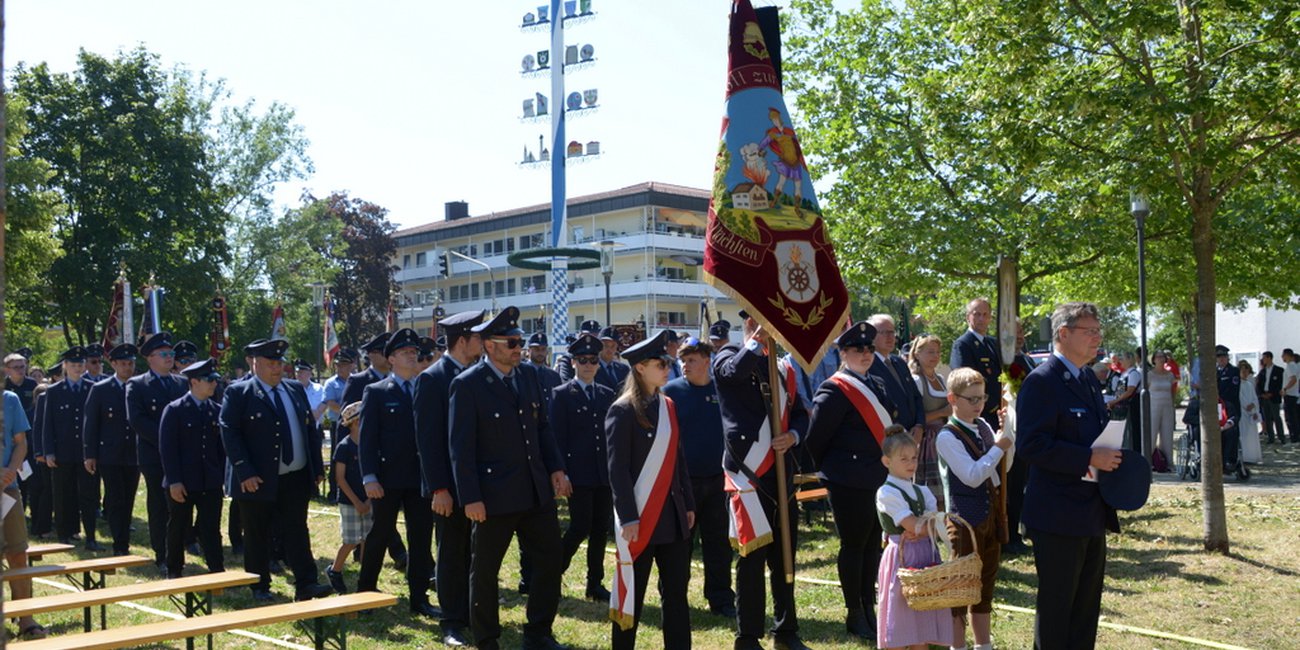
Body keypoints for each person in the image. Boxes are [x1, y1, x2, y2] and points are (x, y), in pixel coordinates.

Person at [448, 306, 572, 650]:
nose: (519, 347)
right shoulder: (467, 385)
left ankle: (539, 633)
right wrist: (470, 496)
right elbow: (461, 447)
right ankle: (487, 637)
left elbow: (543, 428)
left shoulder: (530, 376)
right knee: (486, 570)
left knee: (549, 561)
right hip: (492, 497)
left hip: (534, 490)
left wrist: (557, 469)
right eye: (512, 342)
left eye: (521, 341)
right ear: (489, 345)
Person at [1016, 302, 1121, 650]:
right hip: (1057, 514)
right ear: (1064, 334)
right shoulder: (1042, 382)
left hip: (1091, 509)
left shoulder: (1088, 378)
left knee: (1085, 611)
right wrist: (1088, 457)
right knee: (1058, 609)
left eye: (1098, 331)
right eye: (1090, 331)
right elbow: (1031, 445)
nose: (1097, 338)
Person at [714, 311, 812, 650]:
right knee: (751, 558)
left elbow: (801, 412)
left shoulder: (784, 368)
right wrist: (757, 341)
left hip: (780, 472)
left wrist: (795, 435)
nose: (763, 327)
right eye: (755, 322)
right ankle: (748, 635)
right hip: (749, 473)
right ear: (747, 325)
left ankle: (786, 630)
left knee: (785, 555)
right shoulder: (728, 356)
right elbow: (732, 374)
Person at [803, 320, 897, 640]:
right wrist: (834, 471)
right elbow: (816, 439)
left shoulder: (878, 384)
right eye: (858, 349)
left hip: (877, 477)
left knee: (873, 544)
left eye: (870, 348)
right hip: (848, 479)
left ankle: (870, 606)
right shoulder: (834, 388)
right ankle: (854, 612)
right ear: (843, 353)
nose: (866, 354)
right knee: (854, 545)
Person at [219, 338, 333, 602]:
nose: (277, 368)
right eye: (271, 363)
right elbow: (229, 433)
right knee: (257, 532)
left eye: (280, 362)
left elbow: (309, 431)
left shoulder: (293, 389)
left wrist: (316, 467)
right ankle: (259, 585)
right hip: (257, 478)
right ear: (254, 363)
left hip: (295, 476)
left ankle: (306, 583)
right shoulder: (239, 393)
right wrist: (244, 471)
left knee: (296, 529)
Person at [607, 330, 695, 649]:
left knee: (675, 594)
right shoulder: (622, 410)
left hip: (671, 516)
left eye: (667, 361)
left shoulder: (668, 405)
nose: (667, 367)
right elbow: (617, 471)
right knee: (633, 594)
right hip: (640, 518)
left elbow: (678, 459)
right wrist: (628, 517)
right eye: (660, 362)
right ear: (640, 367)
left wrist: (687, 502)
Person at [356, 328, 441, 617]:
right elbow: (367, 440)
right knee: (379, 535)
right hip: (387, 479)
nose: (412, 355)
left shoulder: (426, 387)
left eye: (414, 352)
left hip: (419, 480)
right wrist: (369, 477)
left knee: (420, 539)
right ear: (391, 359)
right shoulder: (376, 392)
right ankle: (365, 593)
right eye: (405, 352)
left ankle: (419, 598)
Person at [414, 309, 485, 647]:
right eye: (478, 337)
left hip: (478, 485)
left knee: (476, 553)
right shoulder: (433, 378)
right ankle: (451, 621)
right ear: (462, 340)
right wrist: (439, 488)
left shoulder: (480, 375)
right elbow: (427, 442)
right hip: (450, 488)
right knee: (451, 553)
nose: (483, 343)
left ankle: (473, 611)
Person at [937, 367, 1010, 650]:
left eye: (982, 398)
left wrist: (1006, 437)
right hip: (963, 520)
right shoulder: (947, 436)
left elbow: (1000, 471)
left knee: (985, 586)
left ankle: (984, 645)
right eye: (972, 399)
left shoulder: (984, 427)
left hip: (989, 515)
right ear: (953, 398)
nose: (979, 405)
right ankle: (958, 646)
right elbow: (971, 475)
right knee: (960, 590)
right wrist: (999, 447)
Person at [663, 336, 735, 617]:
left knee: (718, 543)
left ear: (707, 361)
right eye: (682, 360)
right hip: (684, 483)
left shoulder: (722, 391)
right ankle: (674, 596)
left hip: (717, 479)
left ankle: (721, 599)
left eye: (691, 360)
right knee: (679, 545)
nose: (685, 366)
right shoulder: (671, 392)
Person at [549, 333, 616, 603]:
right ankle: (553, 574)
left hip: (602, 473)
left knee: (600, 529)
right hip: (577, 473)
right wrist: (561, 473)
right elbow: (556, 437)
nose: (588, 364)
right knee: (579, 527)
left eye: (592, 360)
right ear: (573, 363)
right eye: (582, 360)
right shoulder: (562, 394)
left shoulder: (607, 394)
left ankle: (594, 583)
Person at [874, 429, 953, 650]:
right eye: (904, 459)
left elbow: (932, 525)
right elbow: (914, 526)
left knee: (922, 617)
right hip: (902, 556)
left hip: (926, 555)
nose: (911, 463)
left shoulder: (922, 491)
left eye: (914, 458)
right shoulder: (886, 492)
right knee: (899, 618)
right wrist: (924, 525)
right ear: (886, 461)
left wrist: (924, 526)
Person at [342, 333, 410, 570]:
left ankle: (405, 560)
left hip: (410, 470)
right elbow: (349, 419)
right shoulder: (362, 382)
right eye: (380, 351)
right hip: (380, 466)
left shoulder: (416, 383)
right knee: (379, 527)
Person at [126, 332, 188, 574]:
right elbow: (137, 420)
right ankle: (162, 553)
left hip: (181, 455)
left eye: (171, 354)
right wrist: (167, 439)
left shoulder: (181, 383)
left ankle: (180, 547)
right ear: (150, 358)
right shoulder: (137, 384)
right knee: (159, 504)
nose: (169, 358)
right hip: (154, 455)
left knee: (180, 503)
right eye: (164, 354)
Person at [159, 359, 226, 578]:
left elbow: (220, 449)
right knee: (177, 526)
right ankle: (174, 569)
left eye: (215, 380)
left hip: (210, 481)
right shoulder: (175, 410)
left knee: (211, 528)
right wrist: (174, 481)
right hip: (183, 481)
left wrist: (221, 477)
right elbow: (167, 450)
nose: (214, 384)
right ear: (194, 382)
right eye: (209, 380)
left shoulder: (216, 410)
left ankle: (217, 569)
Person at [40, 346, 101, 550]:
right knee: (63, 494)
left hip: (86, 453)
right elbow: (47, 424)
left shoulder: (92, 387)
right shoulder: (54, 391)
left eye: (80, 364)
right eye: (73, 365)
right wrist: (48, 451)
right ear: (65, 366)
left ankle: (91, 536)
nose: (77, 368)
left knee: (89, 495)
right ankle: (64, 534)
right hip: (62, 452)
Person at [83, 343, 141, 555]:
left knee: (129, 498)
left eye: (131, 363)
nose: (128, 367)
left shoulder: (139, 386)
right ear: (114, 364)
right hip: (109, 454)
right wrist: (89, 454)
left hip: (133, 454)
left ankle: (123, 535)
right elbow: (91, 424)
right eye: (123, 363)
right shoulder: (100, 389)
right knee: (116, 499)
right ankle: (120, 545)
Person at [3, 385, 49, 640]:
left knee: (18, 554)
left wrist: (10, 470)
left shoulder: (10, 400)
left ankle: (26, 619)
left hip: (7, 489)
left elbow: (21, 444)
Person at [327, 401, 369, 595]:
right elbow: (340, 479)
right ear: (355, 422)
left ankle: (366, 576)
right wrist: (357, 502)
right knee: (351, 540)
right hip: (349, 501)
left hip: (368, 501)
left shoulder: (370, 445)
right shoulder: (344, 447)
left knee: (368, 539)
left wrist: (368, 501)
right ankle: (335, 570)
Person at [908, 334, 949, 511]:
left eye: (938, 352)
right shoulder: (917, 380)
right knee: (929, 491)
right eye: (930, 352)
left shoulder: (940, 378)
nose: (935, 356)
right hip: (926, 440)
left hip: (943, 437)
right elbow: (914, 417)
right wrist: (942, 412)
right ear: (917, 354)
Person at [867, 315, 925, 441]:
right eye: (883, 332)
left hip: (914, 437)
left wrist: (920, 425)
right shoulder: (868, 366)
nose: (890, 337)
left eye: (892, 332)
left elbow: (916, 397)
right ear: (871, 336)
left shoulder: (899, 362)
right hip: (890, 437)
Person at [949, 298, 1004, 429]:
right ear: (968, 317)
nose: (981, 318)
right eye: (977, 314)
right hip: (980, 415)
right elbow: (964, 381)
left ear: (990, 318)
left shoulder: (993, 343)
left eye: (985, 315)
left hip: (1000, 413)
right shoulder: (963, 344)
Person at [1146, 351, 1178, 470]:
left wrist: (1173, 403)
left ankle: (1168, 462)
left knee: (1167, 434)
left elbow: (1173, 390)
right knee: (1152, 434)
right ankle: (1149, 461)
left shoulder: (1170, 375)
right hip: (1153, 406)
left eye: (1162, 357)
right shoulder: (1149, 374)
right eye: (1158, 357)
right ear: (1153, 360)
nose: (1160, 359)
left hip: (1167, 406)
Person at [1216, 345, 1242, 469]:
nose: (1221, 359)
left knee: (1232, 433)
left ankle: (1230, 460)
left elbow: (1233, 390)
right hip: (1217, 407)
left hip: (1230, 407)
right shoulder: (1214, 371)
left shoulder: (1233, 371)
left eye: (1223, 357)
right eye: (1219, 357)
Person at [526, 332, 564, 411]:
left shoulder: (554, 376)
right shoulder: (520, 373)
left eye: (543, 349)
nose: (540, 353)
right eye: (536, 349)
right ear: (528, 350)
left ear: (547, 351)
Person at [1256, 351, 1284, 444]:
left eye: (1264, 358)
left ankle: (1281, 437)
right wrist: (1261, 394)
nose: (1263, 360)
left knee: (1276, 417)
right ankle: (1271, 437)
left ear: (1269, 358)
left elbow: (1280, 384)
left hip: (1274, 397)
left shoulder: (1279, 370)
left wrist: (1273, 393)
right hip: (1264, 397)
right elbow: (1258, 384)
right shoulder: (1262, 372)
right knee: (1267, 418)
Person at [1238, 360, 1262, 464]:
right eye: (1242, 371)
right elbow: (1239, 397)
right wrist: (1245, 405)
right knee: (1244, 434)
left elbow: (1254, 398)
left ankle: (1253, 456)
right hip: (1242, 412)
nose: (1245, 373)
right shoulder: (1238, 384)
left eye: (1246, 371)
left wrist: (1253, 405)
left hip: (1250, 412)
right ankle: (1245, 456)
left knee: (1252, 435)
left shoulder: (1249, 384)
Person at [596, 327, 631, 392]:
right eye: (606, 345)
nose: (609, 349)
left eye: (613, 346)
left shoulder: (624, 369)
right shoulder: (592, 367)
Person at [1282, 349, 1299, 444]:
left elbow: (1293, 379)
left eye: (1283, 355)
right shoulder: (1295, 365)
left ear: (1287, 355)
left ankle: (1294, 437)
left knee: (1290, 417)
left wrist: (1285, 389)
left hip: (1290, 394)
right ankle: (1295, 436)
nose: (1282, 357)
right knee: (1293, 416)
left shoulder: (1290, 366)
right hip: (1293, 394)